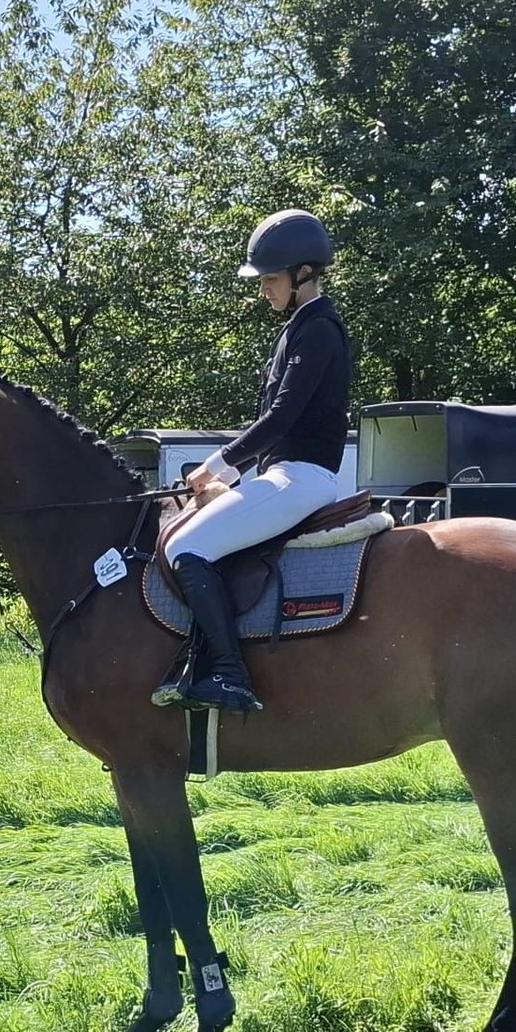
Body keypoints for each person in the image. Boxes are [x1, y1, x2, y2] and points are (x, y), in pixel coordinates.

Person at [153, 209, 355, 713]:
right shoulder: (299, 326)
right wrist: (237, 472)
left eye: (270, 279)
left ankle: (230, 674)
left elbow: (283, 417)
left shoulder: (320, 329)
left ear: (302, 274)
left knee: (188, 547)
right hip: (283, 473)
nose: (264, 289)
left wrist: (218, 465)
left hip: (302, 477)